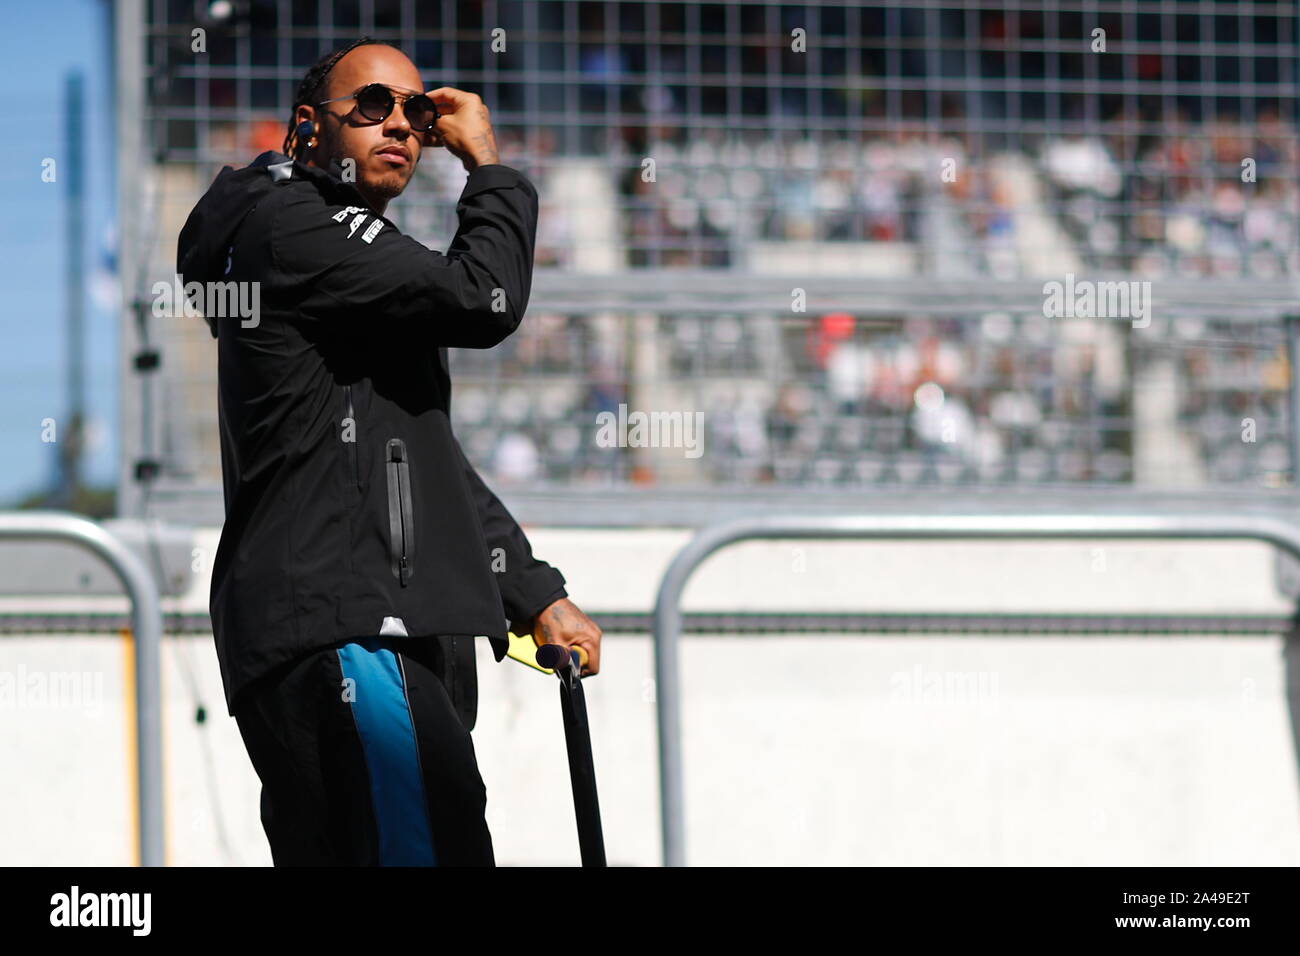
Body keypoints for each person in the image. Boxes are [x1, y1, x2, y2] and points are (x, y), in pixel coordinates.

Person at [176, 36, 602, 866]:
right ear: (308, 130)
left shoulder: (341, 270)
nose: (400, 124)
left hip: (351, 631)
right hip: (351, 632)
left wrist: (530, 590)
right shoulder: (289, 220)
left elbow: (417, 447)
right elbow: (486, 297)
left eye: (415, 110)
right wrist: (488, 168)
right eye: (371, 106)